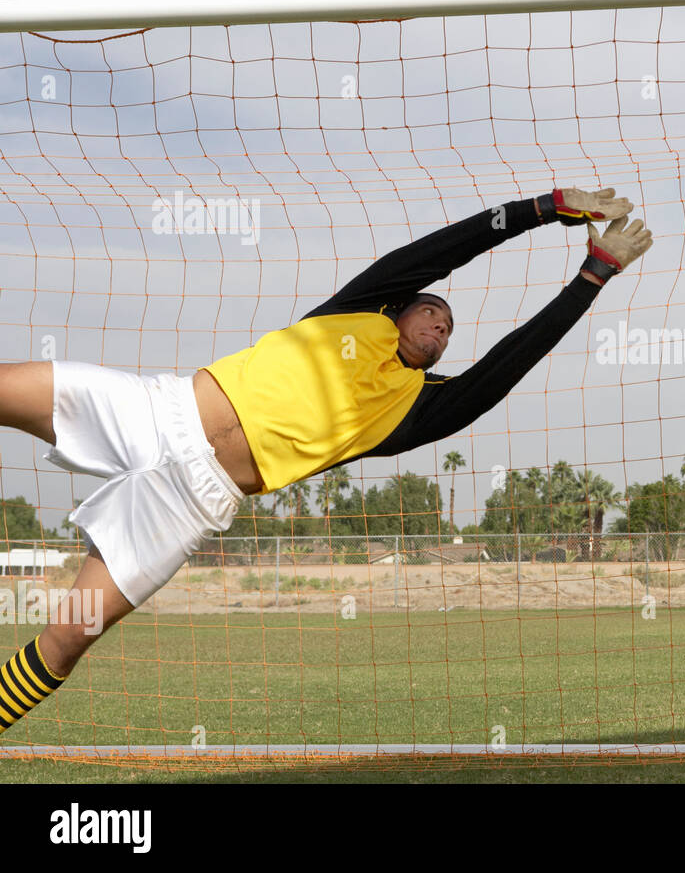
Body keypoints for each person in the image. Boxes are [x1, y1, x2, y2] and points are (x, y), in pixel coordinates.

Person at [0, 186, 651, 735]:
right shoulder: (358, 309)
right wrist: (544, 207)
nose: (440, 327)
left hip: (189, 501)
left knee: (65, 640)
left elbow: (510, 361)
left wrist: (592, 275)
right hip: (158, 411)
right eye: (431, 311)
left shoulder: (416, 411)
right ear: (401, 307)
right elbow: (444, 250)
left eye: (449, 330)